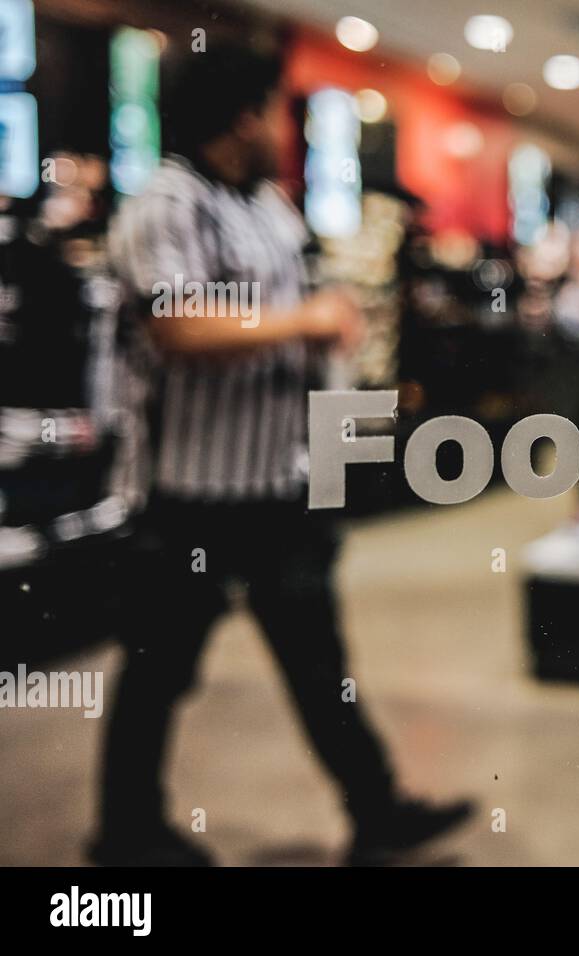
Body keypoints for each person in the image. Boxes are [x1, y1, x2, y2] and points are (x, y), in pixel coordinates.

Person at [90, 45, 471, 866]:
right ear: (241, 117)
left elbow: (298, 306)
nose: (283, 132)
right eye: (273, 112)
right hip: (189, 491)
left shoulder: (266, 204)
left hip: (275, 485)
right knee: (159, 671)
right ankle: (124, 833)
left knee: (317, 661)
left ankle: (377, 810)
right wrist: (306, 322)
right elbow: (180, 326)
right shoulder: (167, 204)